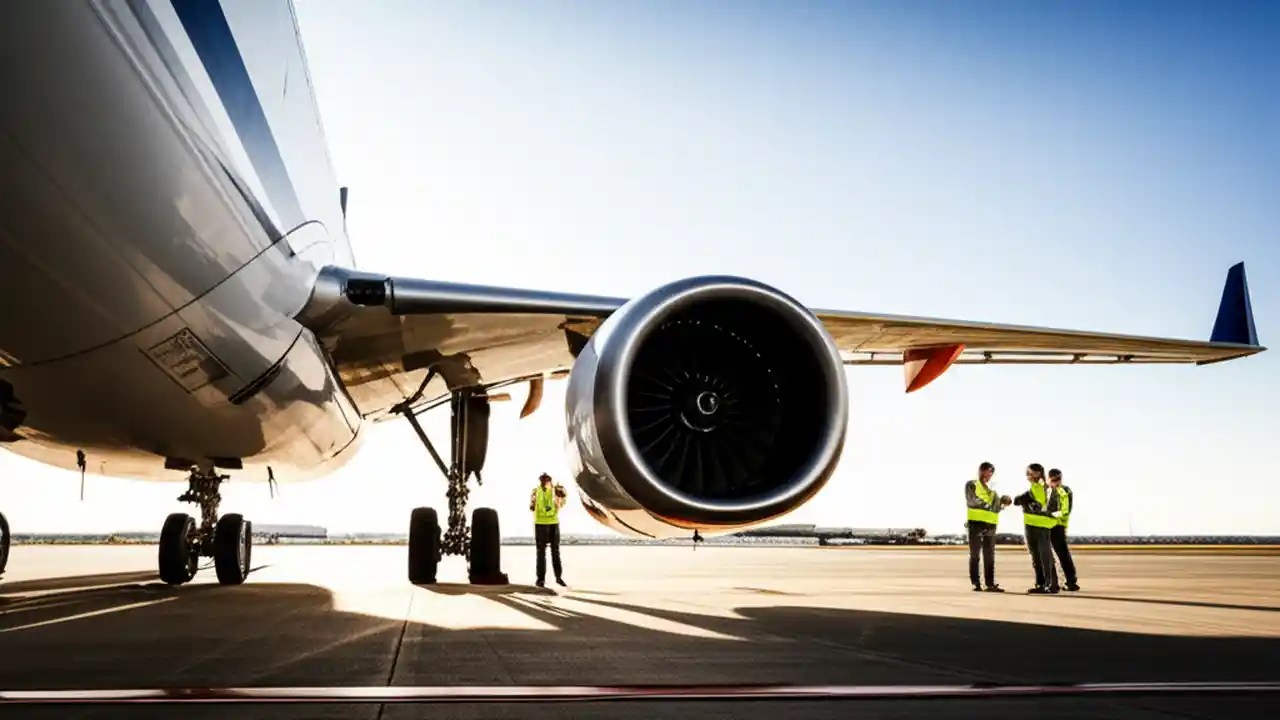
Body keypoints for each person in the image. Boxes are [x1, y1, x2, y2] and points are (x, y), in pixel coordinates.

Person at [964, 461, 1012, 592]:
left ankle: (990, 584)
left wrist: (1003, 502)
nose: (989, 474)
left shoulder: (993, 492)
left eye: (991, 472)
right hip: (976, 524)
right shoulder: (971, 484)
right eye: (987, 471)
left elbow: (996, 509)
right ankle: (976, 583)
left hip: (991, 525)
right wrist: (988, 506)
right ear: (980, 470)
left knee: (989, 555)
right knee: (975, 554)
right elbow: (972, 500)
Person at [1013, 463, 1059, 594]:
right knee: (1036, 557)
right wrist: (1022, 500)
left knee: (1045, 556)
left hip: (1042, 526)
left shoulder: (1047, 488)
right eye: (1027, 473)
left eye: (1031, 473)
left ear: (1039, 473)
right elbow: (1019, 500)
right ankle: (1041, 584)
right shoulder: (1033, 488)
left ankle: (1051, 585)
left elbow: (1052, 506)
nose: (1028, 475)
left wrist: (1035, 506)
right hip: (1030, 525)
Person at [530, 472, 567, 587]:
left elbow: (562, 502)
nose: (544, 481)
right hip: (541, 523)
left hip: (552, 523)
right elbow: (532, 506)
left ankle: (558, 577)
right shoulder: (536, 491)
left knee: (554, 552)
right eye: (543, 479)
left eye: (546, 479)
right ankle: (541, 579)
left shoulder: (556, 490)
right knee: (542, 553)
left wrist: (562, 495)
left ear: (550, 480)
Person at [1048, 468, 1080, 591]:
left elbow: (1065, 510)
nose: (1056, 482)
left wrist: (1051, 515)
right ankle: (1052, 582)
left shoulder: (1065, 491)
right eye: (1054, 480)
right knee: (1048, 556)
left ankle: (1071, 581)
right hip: (1046, 526)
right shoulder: (1047, 490)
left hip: (1058, 526)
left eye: (1058, 479)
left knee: (1063, 554)